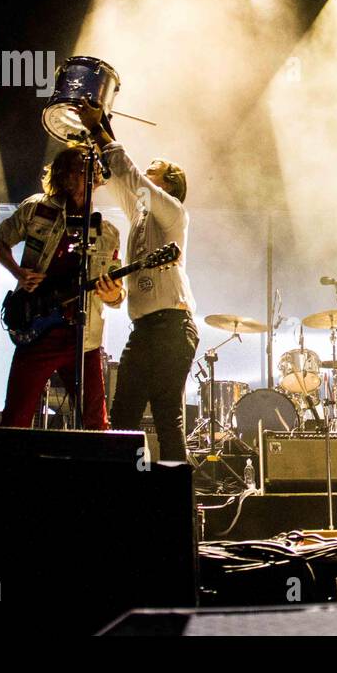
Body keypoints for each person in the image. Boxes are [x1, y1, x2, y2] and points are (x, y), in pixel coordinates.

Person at [77, 102, 197, 461]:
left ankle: (179, 508)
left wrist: (101, 130)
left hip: (173, 328)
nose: (146, 172)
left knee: (168, 421)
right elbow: (118, 178)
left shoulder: (173, 211)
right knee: (122, 420)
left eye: (154, 171)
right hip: (143, 330)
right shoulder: (140, 215)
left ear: (168, 184)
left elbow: (130, 177)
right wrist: (103, 129)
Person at [0, 144, 124, 429]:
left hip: (84, 337)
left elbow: (117, 293)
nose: (83, 175)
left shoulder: (107, 232)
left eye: (88, 170)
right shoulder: (36, 208)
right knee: (16, 417)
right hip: (38, 331)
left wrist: (114, 294)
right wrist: (19, 272)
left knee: (96, 424)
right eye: (77, 169)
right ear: (62, 174)